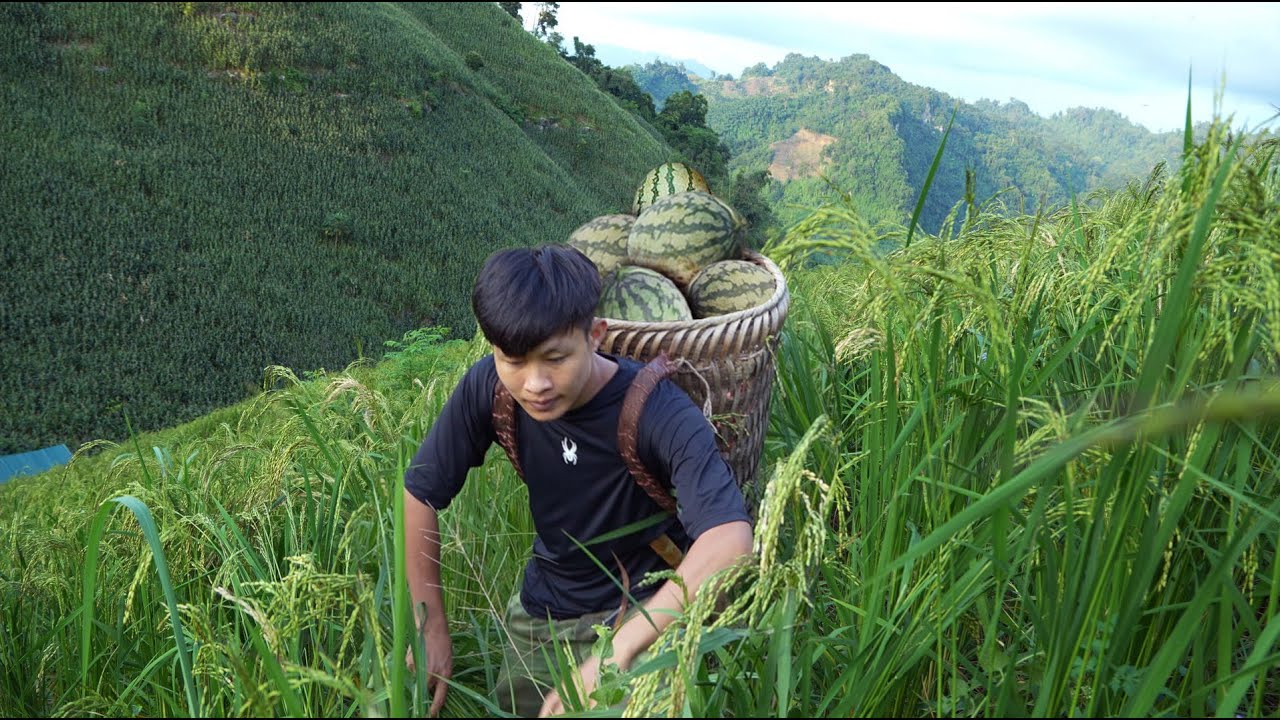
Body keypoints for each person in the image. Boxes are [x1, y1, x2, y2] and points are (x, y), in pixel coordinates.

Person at [403, 244, 754, 717]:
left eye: (554, 358)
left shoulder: (655, 409)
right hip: (544, 608)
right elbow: (420, 491)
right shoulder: (487, 389)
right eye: (514, 361)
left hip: (642, 605)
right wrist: (430, 626)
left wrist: (616, 651)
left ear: (596, 334)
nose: (535, 384)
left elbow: (729, 539)